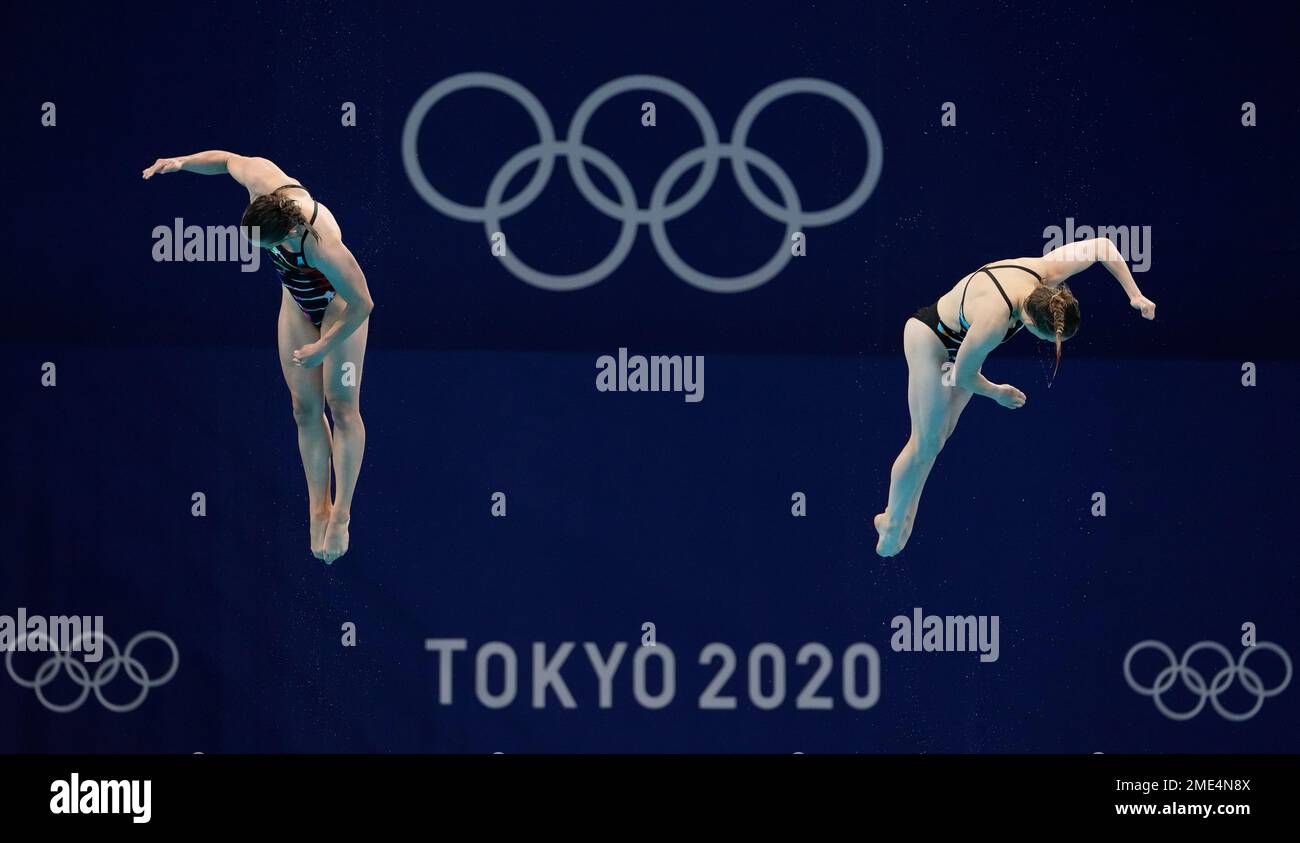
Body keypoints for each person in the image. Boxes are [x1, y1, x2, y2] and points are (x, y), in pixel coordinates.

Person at [143, 152, 375, 564]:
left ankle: (341, 515)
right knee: (304, 409)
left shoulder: (321, 242)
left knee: (341, 406)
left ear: (289, 230)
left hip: (340, 309)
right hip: (296, 302)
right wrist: (179, 163)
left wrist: (323, 348)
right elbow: (227, 160)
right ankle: (316, 508)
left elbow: (364, 304)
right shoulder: (264, 181)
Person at [875, 237, 1156, 557]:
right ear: (1030, 321)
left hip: (966, 343)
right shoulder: (994, 320)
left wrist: (1135, 294)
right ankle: (892, 519)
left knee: (938, 437)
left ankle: (905, 510)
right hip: (931, 337)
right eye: (1045, 338)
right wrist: (998, 393)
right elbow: (964, 375)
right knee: (925, 440)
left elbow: (1102, 246)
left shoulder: (1047, 274)